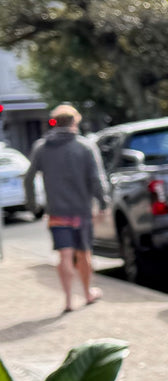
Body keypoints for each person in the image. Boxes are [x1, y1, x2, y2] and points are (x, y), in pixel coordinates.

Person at [24, 104, 108, 314]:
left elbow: (28, 178)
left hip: (56, 212)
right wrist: (103, 203)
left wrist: (33, 206)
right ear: (75, 122)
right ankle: (87, 293)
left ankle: (69, 300)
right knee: (84, 254)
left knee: (64, 256)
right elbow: (96, 179)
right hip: (81, 210)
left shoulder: (42, 147)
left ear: (55, 123)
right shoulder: (85, 146)